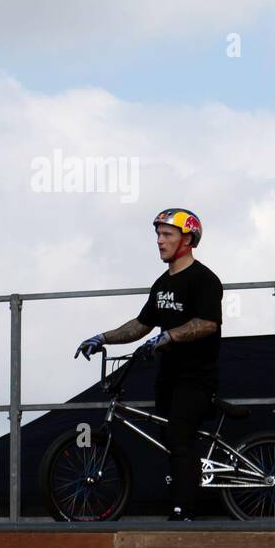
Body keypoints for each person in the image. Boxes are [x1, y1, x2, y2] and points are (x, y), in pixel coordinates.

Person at [75, 208, 222, 522]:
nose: (159, 241)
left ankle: (184, 511)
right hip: (167, 376)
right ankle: (181, 500)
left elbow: (207, 323)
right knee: (170, 441)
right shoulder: (161, 283)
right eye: (158, 234)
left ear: (188, 239)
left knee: (181, 440)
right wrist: (102, 337)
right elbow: (141, 325)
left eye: (167, 234)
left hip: (196, 377)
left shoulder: (204, 279)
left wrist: (169, 336)